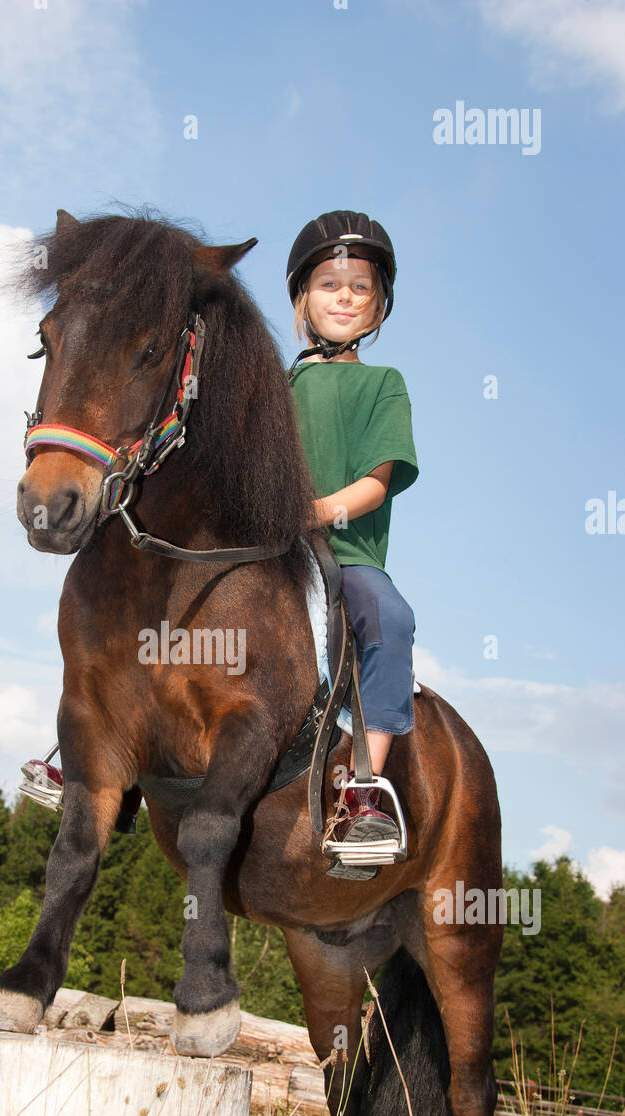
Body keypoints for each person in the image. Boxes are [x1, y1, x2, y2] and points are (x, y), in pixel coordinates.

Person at [285, 211, 418, 879]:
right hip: (268, 547)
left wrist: (318, 511)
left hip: (346, 556)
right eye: (329, 283)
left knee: (392, 619)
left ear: (379, 305)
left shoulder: (383, 384)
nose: (343, 296)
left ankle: (365, 789)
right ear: (302, 298)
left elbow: (378, 480)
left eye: (359, 287)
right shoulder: (275, 386)